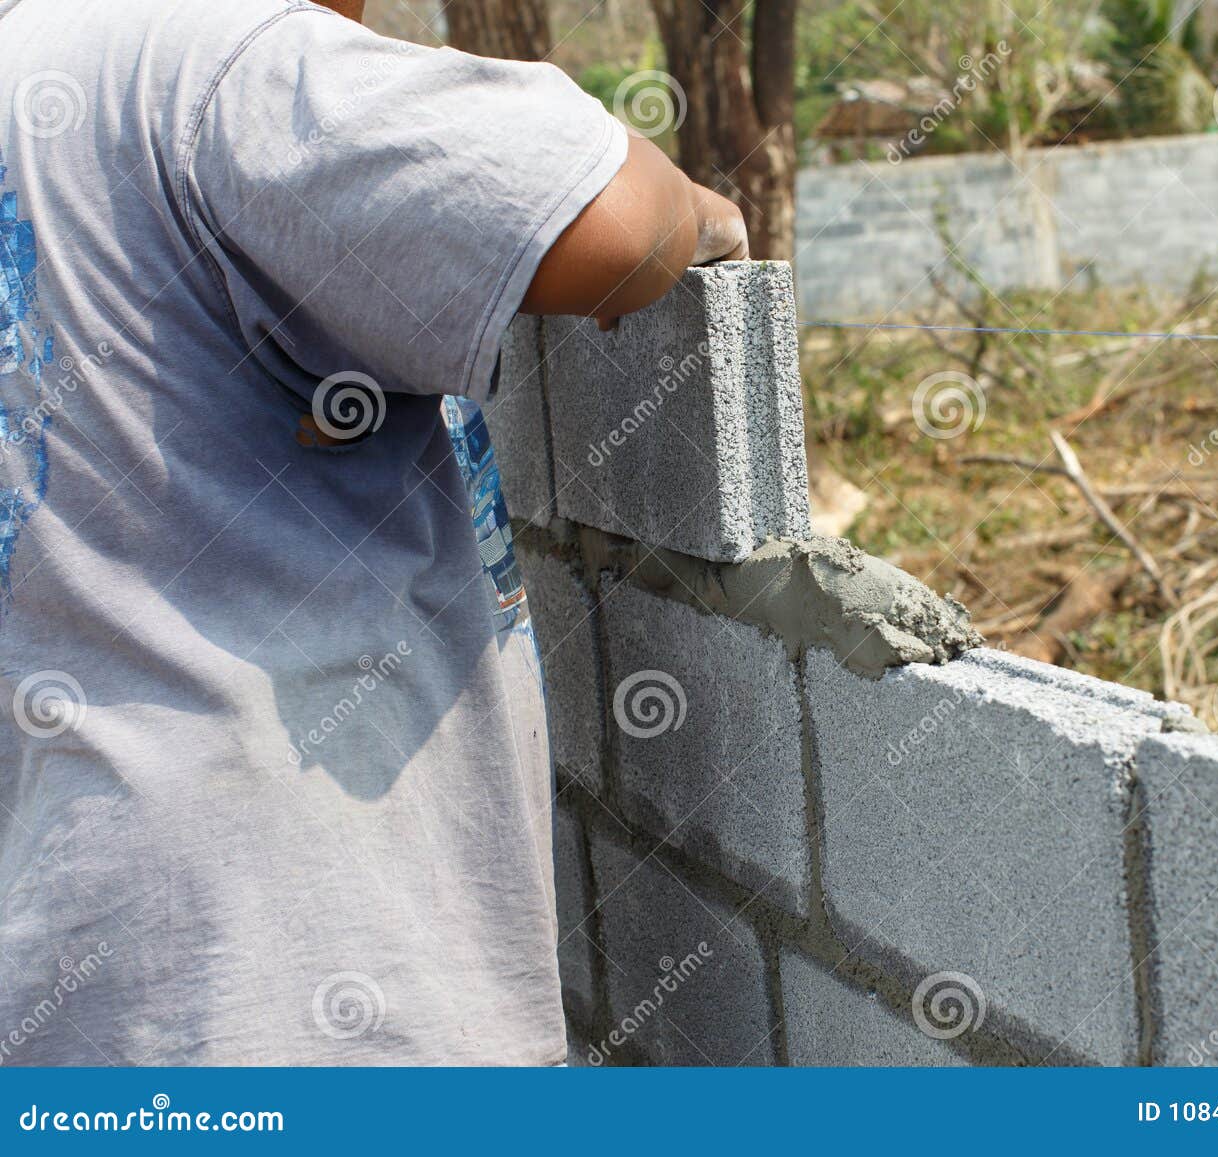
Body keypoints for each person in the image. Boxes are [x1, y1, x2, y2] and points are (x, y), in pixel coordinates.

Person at [0, 0, 746, 1064]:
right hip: (294, 980)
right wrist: (697, 212)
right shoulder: (229, 62)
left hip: (79, 966)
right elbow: (618, 226)